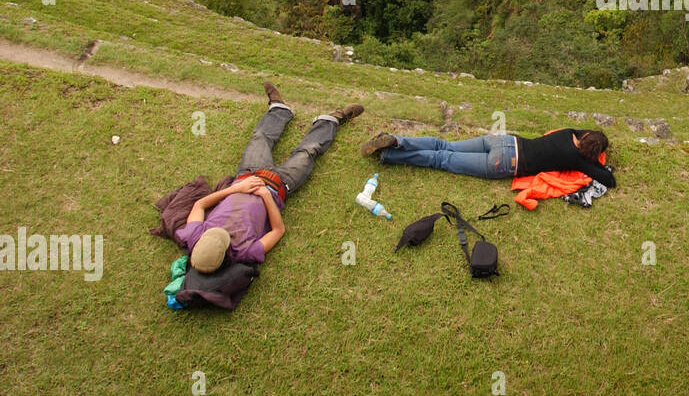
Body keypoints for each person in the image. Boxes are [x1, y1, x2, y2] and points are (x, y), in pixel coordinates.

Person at [177, 83, 364, 273]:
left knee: (260, 137)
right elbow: (278, 231)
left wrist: (236, 189)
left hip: (248, 174)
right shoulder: (245, 253)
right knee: (308, 152)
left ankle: (279, 109)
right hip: (278, 186)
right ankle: (332, 120)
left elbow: (199, 205)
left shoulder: (194, 236)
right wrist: (266, 196)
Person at [359, 128, 615, 188]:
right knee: (441, 159)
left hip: (502, 140)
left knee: (443, 144)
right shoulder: (578, 160)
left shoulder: (567, 132)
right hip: (505, 163)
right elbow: (608, 179)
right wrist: (595, 161)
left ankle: (398, 140)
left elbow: (584, 133)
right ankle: (390, 155)